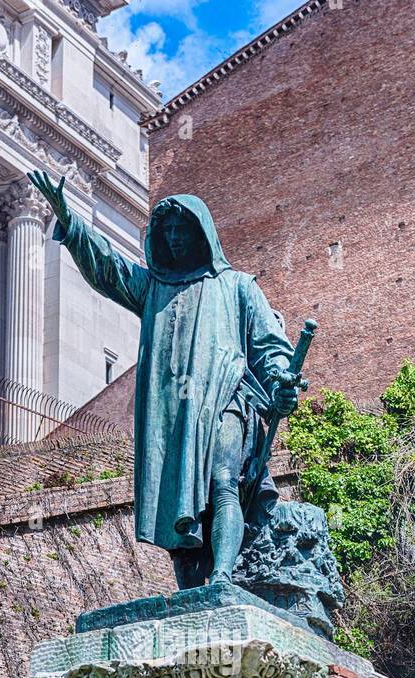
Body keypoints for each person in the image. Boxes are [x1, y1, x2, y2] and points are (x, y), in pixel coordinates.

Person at [28, 171, 299, 587]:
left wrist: (281, 379)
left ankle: (223, 577)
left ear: (201, 233)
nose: (174, 238)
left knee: (225, 480)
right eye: (167, 230)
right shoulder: (153, 288)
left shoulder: (237, 286)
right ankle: (192, 588)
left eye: (182, 230)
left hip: (227, 398)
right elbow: (107, 269)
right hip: (173, 415)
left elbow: (269, 346)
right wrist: (69, 216)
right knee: (176, 502)